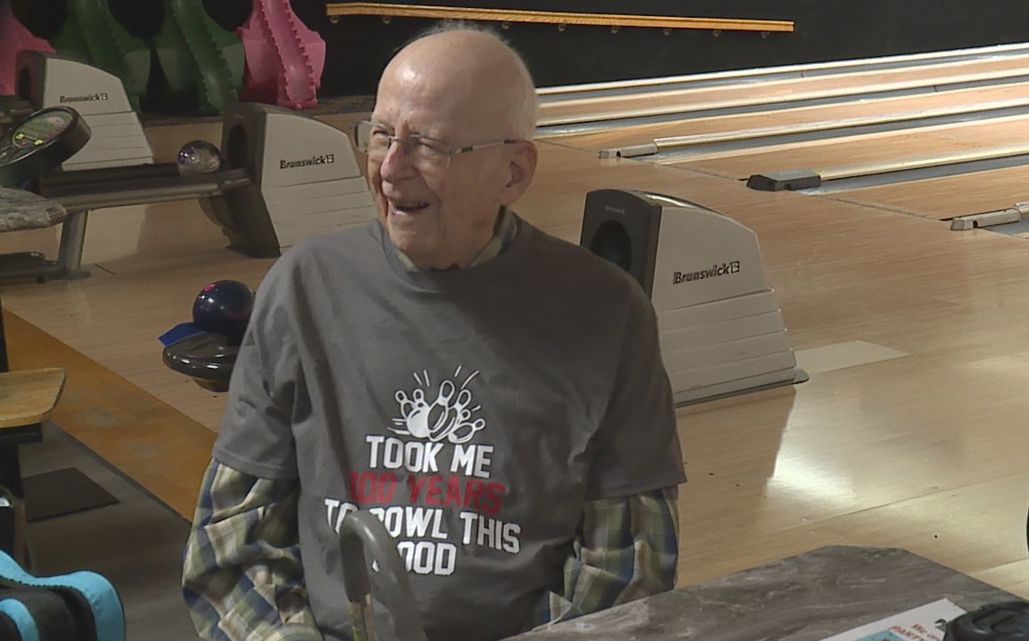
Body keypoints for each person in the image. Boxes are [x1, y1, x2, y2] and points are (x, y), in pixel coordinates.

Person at [181, 22, 686, 641]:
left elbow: (627, 573)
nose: (392, 169)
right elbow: (229, 545)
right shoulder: (303, 287)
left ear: (513, 172)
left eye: (428, 145)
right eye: (382, 136)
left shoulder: (608, 314)